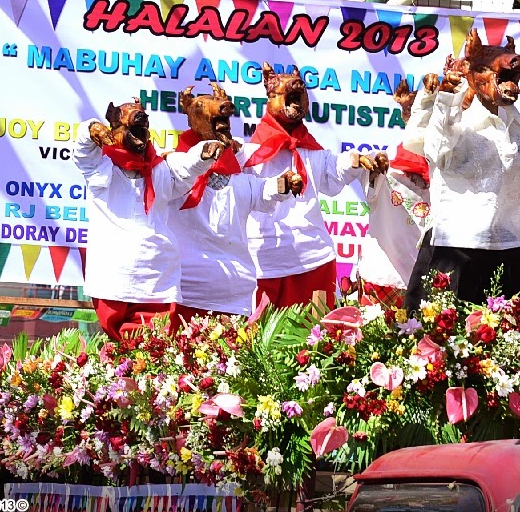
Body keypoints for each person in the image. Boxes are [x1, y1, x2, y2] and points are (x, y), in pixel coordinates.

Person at [403, 29, 520, 308]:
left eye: (511, 77)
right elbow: (435, 149)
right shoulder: (456, 123)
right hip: (454, 251)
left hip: (513, 254)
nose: (506, 82)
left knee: (505, 344)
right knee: (439, 344)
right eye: (490, 73)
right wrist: (448, 99)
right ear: (474, 76)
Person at [74, 99, 221, 340]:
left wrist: (203, 155)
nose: (139, 133)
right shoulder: (101, 169)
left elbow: (185, 166)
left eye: (142, 123)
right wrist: (91, 128)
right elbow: (81, 151)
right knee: (123, 357)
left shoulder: (160, 169)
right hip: (113, 280)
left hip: (157, 281)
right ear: (114, 130)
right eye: (130, 125)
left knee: (150, 354)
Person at [243, 63, 381, 311]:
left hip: (314, 259)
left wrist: (356, 160)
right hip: (265, 263)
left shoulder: (310, 149)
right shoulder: (248, 154)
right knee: (262, 342)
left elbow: (333, 169)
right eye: (288, 96)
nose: (296, 103)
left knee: (315, 341)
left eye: (299, 97)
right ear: (270, 98)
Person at [170, 84, 303, 317]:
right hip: (187, 291)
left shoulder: (238, 177)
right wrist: (203, 154)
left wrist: (282, 184)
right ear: (192, 119)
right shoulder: (175, 169)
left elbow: (262, 191)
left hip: (233, 294)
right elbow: (184, 169)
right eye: (202, 107)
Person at [355, 81, 432, 306]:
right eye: (416, 113)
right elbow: (365, 176)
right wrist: (371, 169)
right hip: (385, 275)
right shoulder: (383, 161)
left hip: (430, 280)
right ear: (406, 117)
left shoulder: (448, 167)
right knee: (375, 339)